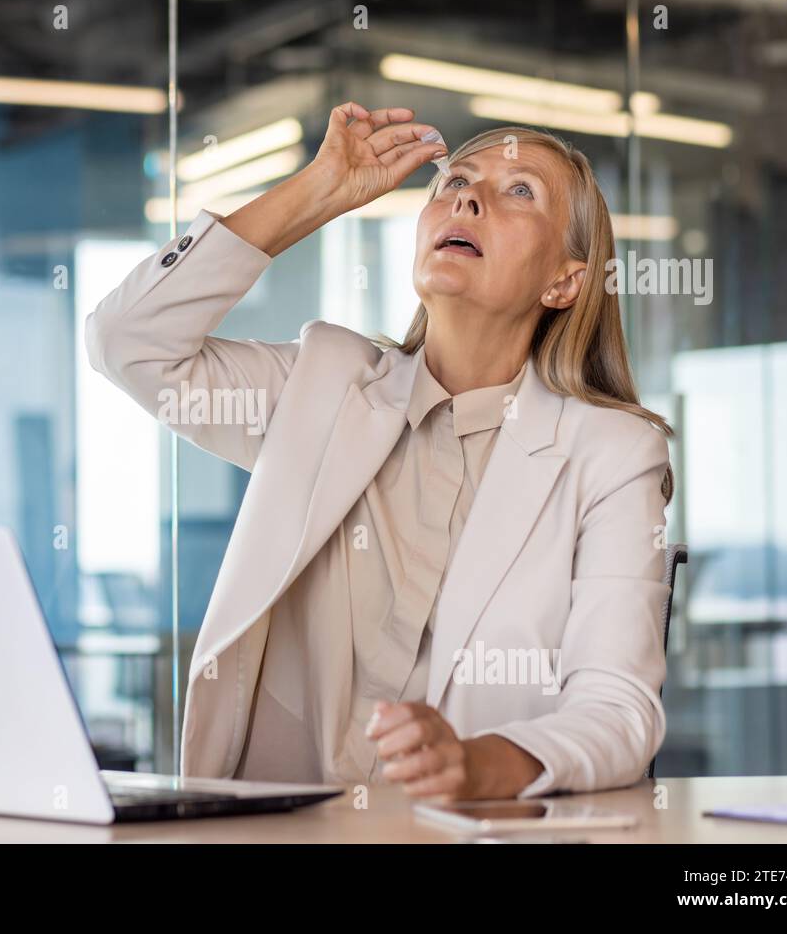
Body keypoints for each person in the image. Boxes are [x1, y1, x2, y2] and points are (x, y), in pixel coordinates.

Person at [85, 103, 674, 801]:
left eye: (520, 190)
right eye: (456, 179)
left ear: (566, 282)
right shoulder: (322, 383)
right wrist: (318, 191)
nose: (469, 196)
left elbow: (619, 709)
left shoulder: (611, 454)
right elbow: (126, 341)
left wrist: (481, 763)